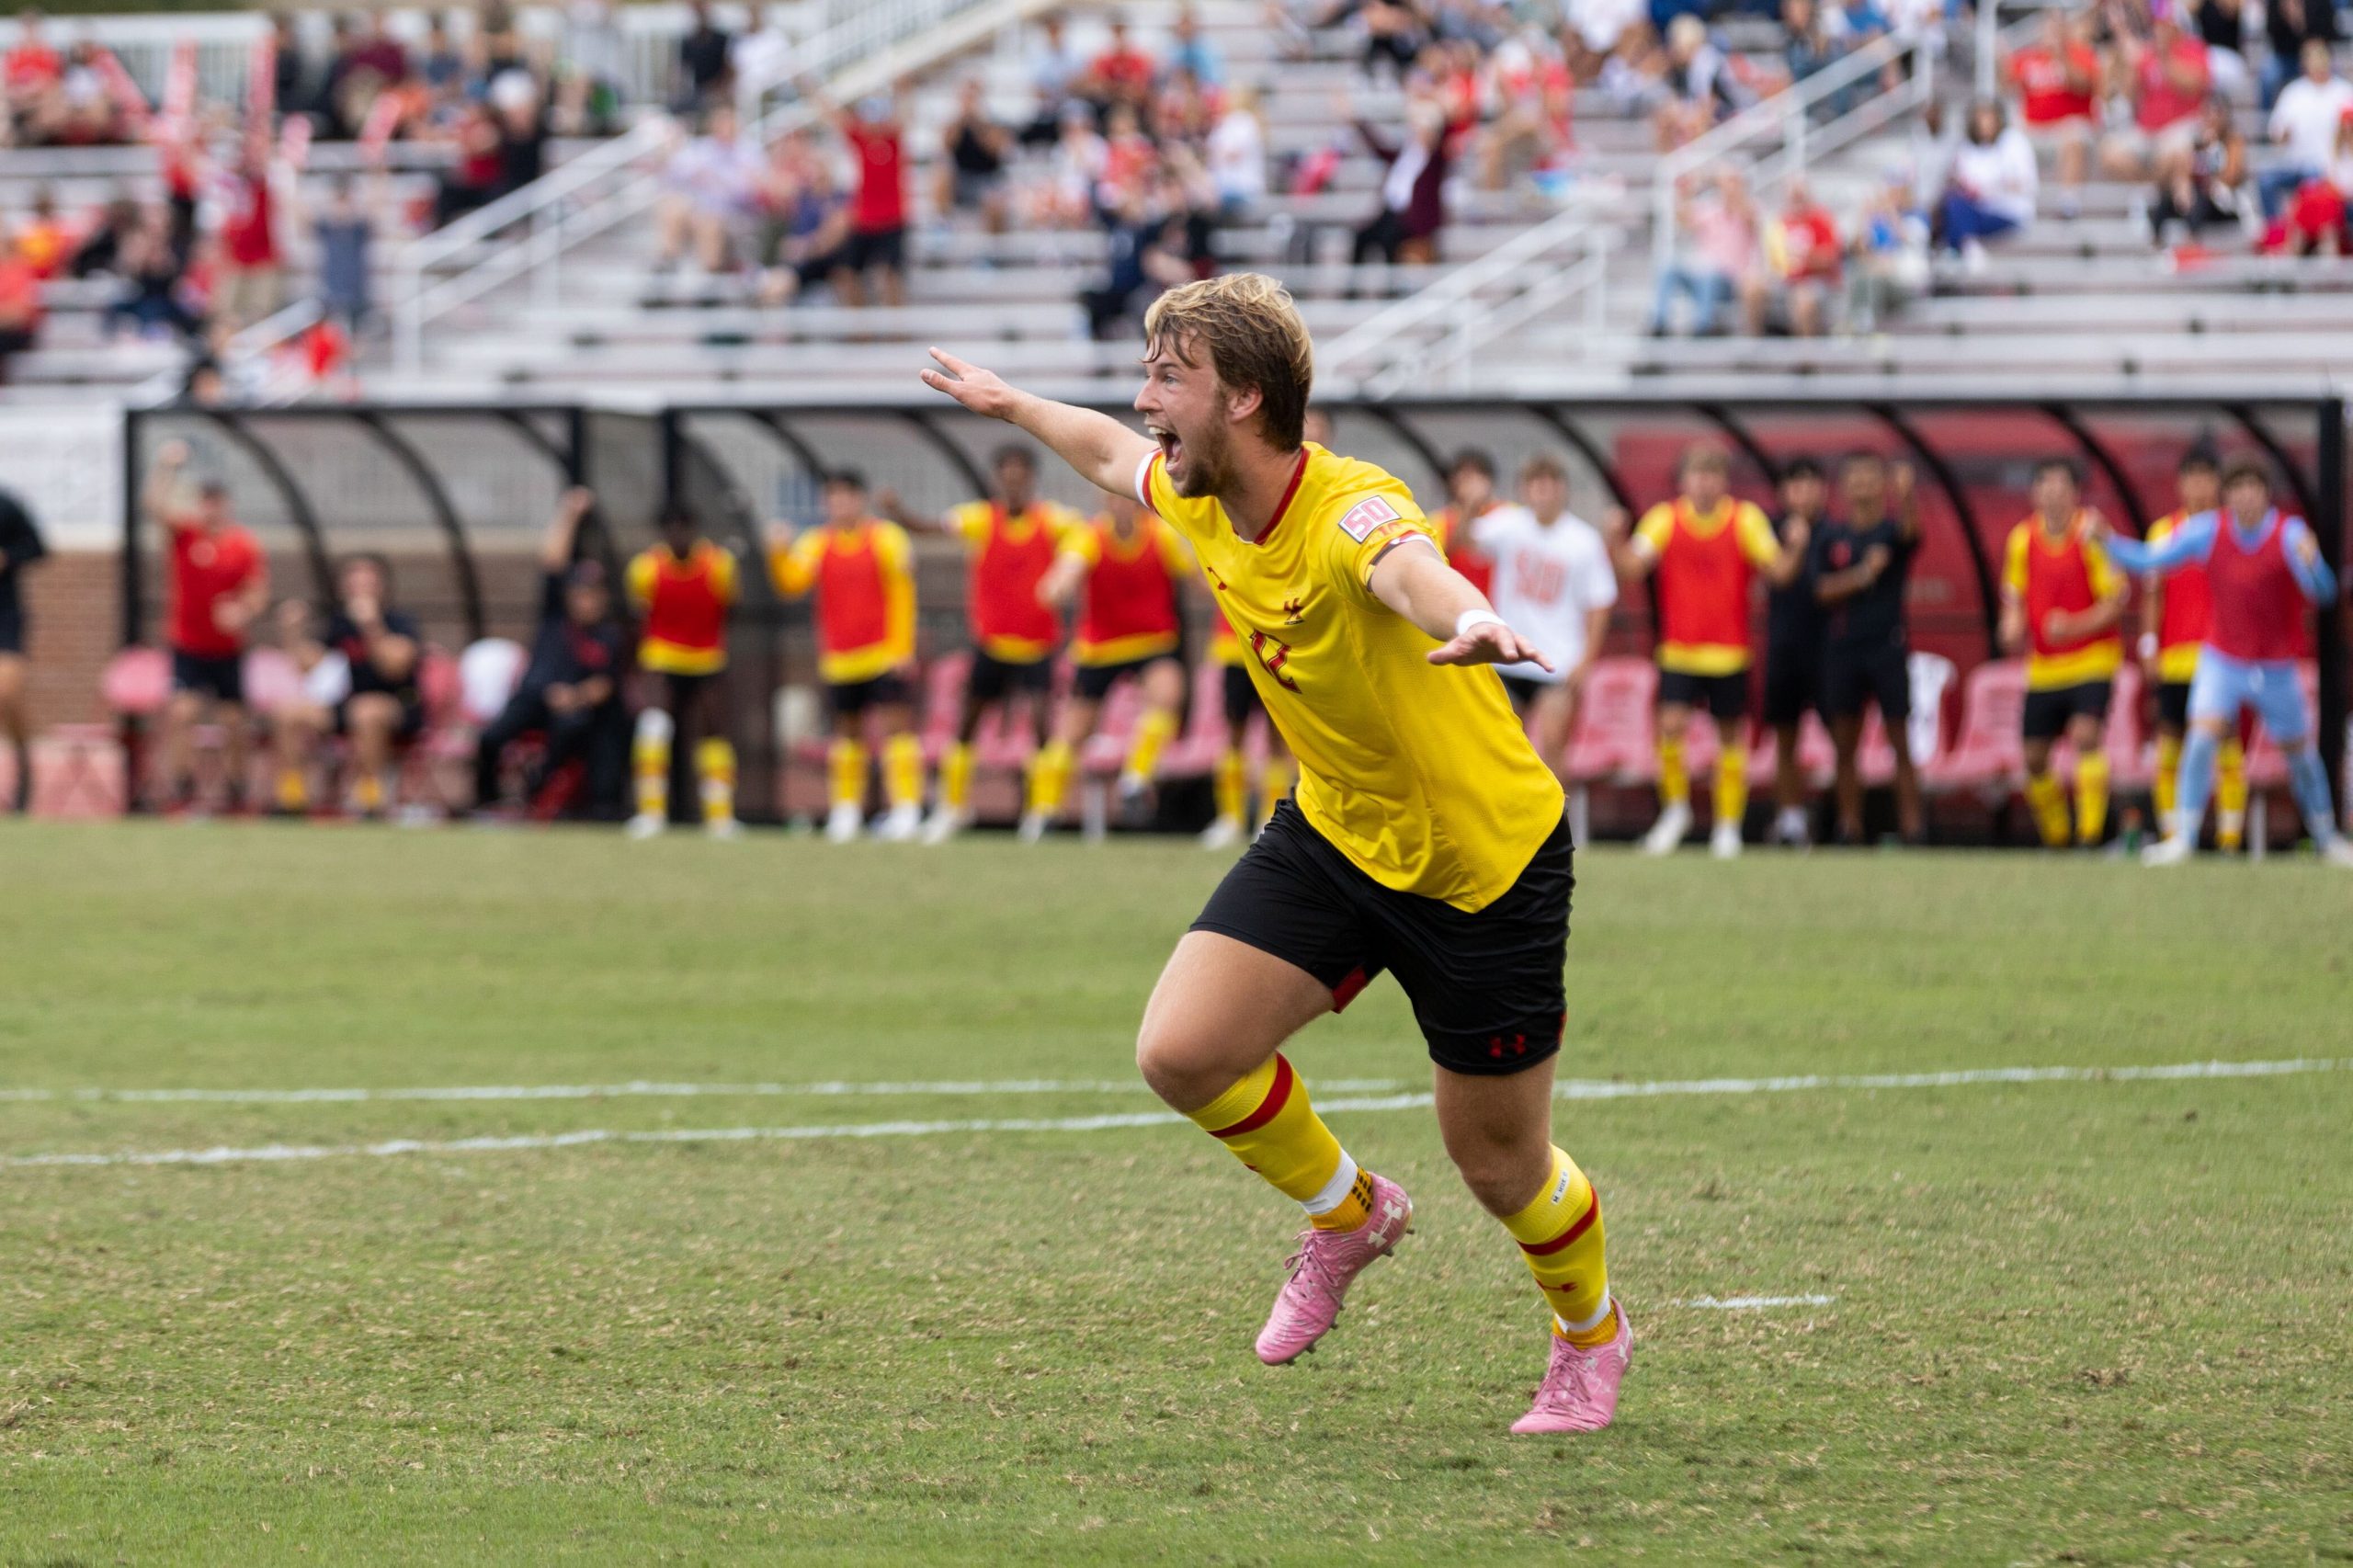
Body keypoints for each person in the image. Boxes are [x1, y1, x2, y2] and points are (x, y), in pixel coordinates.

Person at [921, 273, 1631, 1436]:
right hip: (1335, 830)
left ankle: (1591, 1334)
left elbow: (1406, 566)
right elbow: (1105, 453)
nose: (1145, 399)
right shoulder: (1197, 489)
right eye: (1147, 373)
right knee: (1183, 1051)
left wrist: (1466, 615)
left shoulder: (1349, 506)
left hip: (1481, 865)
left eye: (1169, 377)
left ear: (1244, 398)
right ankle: (1349, 1211)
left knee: (1501, 1166)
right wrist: (1011, 404)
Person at [2097, 460, 2350, 868]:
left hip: (2275, 666)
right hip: (2223, 661)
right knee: (2200, 740)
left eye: (2254, 488)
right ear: (2227, 496)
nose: (2246, 497)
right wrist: (2107, 541)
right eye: (2238, 488)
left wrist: (2313, 564)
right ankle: (2184, 839)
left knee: (2300, 754)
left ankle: (2326, 838)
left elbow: (2323, 593)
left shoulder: (2290, 534)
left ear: (2266, 495)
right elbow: (2148, 560)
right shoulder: (2208, 530)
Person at [1606, 443, 1791, 858]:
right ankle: (1676, 812)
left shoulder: (1745, 519)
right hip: (1680, 650)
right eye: (1697, 475)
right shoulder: (1664, 518)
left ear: (1724, 481)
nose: (1705, 484)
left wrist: (1795, 547)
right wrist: (1615, 538)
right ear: (1684, 481)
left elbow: (1778, 571)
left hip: (1730, 652)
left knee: (1730, 737)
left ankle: (1728, 825)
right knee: (1670, 728)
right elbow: (1632, 567)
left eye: (1712, 475)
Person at [914, 447, 1080, 842]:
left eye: (1020, 475)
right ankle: (953, 809)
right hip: (991, 644)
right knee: (966, 726)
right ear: (997, 479)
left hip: (1037, 646)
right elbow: (932, 528)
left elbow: (1085, 538)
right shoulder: (981, 519)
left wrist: (1064, 574)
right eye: (1007, 475)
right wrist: (899, 513)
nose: (1013, 482)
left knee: (1041, 728)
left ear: (1031, 479)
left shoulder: (1053, 520)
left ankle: (1042, 813)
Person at [768, 471, 923, 842]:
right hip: (840, 658)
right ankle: (846, 811)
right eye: (832, 497)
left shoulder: (886, 537)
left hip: (883, 654)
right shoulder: (815, 542)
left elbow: (903, 594)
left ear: (860, 499)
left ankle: (906, 809)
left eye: (846, 496)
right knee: (847, 736)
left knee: (896, 731)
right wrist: (777, 551)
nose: (839, 504)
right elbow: (791, 585)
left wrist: (902, 648)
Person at [1028, 488, 1193, 836]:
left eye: (1127, 499)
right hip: (1098, 648)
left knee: (1168, 693)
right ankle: (1044, 811)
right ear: (1104, 504)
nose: (1122, 506)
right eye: (1114, 499)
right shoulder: (1089, 536)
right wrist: (1057, 587)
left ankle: (1135, 778)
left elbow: (1199, 575)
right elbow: (1066, 572)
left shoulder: (1162, 534)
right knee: (1072, 733)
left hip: (1152, 640)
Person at [473, 487, 628, 819]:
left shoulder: (608, 635)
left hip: (576, 709)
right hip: (534, 699)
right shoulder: (555, 616)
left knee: (576, 728)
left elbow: (605, 684)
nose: (586, 601)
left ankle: (541, 795)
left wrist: (574, 697)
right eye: (580, 593)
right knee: (491, 737)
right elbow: (552, 561)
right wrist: (569, 513)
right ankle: (486, 800)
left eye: (593, 594)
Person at [1999, 460, 2125, 849]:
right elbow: (2014, 597)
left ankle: (2089, 835)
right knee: (2034, 757)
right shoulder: (2021, 539)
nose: (2053, 494)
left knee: (2086, 735)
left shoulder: (2092, 532)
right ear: (2034, 493)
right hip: (2045, 666)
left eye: (2061, 486)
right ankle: (2056, 838)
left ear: (2075, 493)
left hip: (2093, 659)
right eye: (2045, 486)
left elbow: (2115, 601)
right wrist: (2011, 625)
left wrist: (2074, 626)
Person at [1472, 455, 1617, 787]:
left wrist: (1586, 660)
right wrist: (1471, 504)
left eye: (1551, 484)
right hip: (1509, 654)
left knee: (1553, 743)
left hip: (1557, 659)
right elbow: (1465, 541)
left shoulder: (1583, 540)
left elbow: (1599, 603)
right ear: (1524, 490)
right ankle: (1506, 813)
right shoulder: (1508, 524)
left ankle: (1557, 817)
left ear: (1563, 489)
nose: (1544, 492)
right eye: (1536, 484)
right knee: (1501, 743)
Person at [145, 442, 267, 814]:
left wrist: (242, 611)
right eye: (206, 501)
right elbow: (154, 507)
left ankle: (237, 792)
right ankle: (181, 791)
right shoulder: (187, 536)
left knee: (234, 720)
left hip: (227, 650)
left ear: (227, 504)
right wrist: (167, 467)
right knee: (182, 714)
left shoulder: (243, 545)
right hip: (189, 646)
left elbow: (257, 593)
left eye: (218, 501)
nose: (212, 507)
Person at [1810, 453, 1923, 846]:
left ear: (1882, 484)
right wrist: (1862, 575)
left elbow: (1912, 533)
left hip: (1887, 647)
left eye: (1871, 476)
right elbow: (1821, 591)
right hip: (1843, 650)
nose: (1862, 483)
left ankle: (1913, 828)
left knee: (1900, 740)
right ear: (1842, 486)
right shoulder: (1831, 537)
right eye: (1855, 476)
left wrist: (1907, 496)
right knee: (1844, 744)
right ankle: (1849, 827)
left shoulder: (1892, 532)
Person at [2134, 453, 2245, 852]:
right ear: (2180, 485)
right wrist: (2149, 645)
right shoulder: (2164, 531)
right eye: (2192, 479)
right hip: (2175, 658)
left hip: (2220, 657)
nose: (2199, 487)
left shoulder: (2232, 529)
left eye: (2206, 478)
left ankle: (2230, 838)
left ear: (2218, 485)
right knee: (2170, 744)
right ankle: (2172, 835)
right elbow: (2153, 593)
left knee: (2225, 742)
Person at [273, 556, 426, 820]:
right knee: (287, 712)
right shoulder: (340, 623)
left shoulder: (400, 621)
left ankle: (371, 799)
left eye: (367, 583)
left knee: (366, 711)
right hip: (348, 704)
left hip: (397, 704)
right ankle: (292, 797)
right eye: (354, 584)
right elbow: (310, 664)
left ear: (382, 587)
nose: (360, 590)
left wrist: (371, 626)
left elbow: (395, 667)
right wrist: (292, 632)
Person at [625, 504, 742, 839]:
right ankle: (651, 813)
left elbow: (731, 607)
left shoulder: (719, 565)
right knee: (653, 727)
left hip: (707, 660)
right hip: (662, 658)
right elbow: (640, 613)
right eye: (671, 529)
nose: (678, 536)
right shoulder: (645, 568)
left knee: (713, 733)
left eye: (684, 528)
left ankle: (720, 817)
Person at [1759, 460, 1825, 847]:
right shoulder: (1770, 532)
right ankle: (1790, 818)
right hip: (1784, 648)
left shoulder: (1834, 532)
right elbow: (1776, 576)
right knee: (1785, 737)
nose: (1802, 494)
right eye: (1795, 486)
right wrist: (1793, 545)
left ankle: (1846, 824)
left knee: (1843, 737)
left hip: (1828, 649)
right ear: (1783, 494)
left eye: (1809, 485)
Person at [1198, 600, 1294, 849]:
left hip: (1276, 649)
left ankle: (1271, 817)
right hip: (1235, 648)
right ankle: (1231, 819)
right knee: (1234, 735)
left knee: (1278, 738)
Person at [2006, 8, 2098, 218]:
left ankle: (2069, 200)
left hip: (2066, 128)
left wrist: (2062, 55)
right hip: (2034, 127)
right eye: (2047, 29)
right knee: (2010, 135)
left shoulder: (2080, 54)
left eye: (2056, 29)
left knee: (2075, 134)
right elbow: (2008, 86)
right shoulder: (2028, 57)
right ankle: (2015, 199)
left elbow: (2082, 85)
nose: (2051, 34)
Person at [2260, 41, 2353, 217]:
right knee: (2266, 181)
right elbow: (2277, 133)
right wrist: (2283, 135)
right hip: (2295, 163)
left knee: (2312, 180)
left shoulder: (2344, 92)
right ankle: (2275, 228)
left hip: (2329, 166)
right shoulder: (2293, 92)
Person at [1938, 98, 2037, 261]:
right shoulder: (1967, 148)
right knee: (1953, 202)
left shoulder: (2014, 142)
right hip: (1980, 211)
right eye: (1980, 120)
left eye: (1989, 119)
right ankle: (1965, 248)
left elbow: (2026, 183)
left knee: (1959, 216)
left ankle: (1960, 249)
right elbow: (1963, 183)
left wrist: (1990, 188)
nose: (1985, 125)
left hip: (2009, 212)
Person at [0, 483, 45, 810]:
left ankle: (24, 762)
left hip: (4, 614)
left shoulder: (7, 506)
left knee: (7, 694)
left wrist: (7, 557)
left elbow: (37, 547)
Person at [1427, 449, 1501, 601]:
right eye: (1464, 476)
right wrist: (1470, 507)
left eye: (1476, 475)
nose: (1470, 483)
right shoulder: (1440, 520)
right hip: (1457, 603)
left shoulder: (1506, 514)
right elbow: (1436, 561)